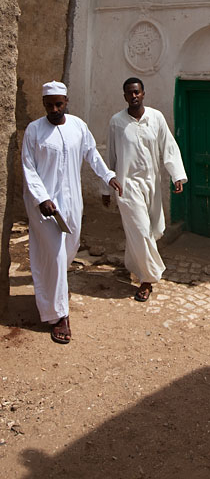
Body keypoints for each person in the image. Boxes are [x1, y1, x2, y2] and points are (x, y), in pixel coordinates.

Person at [21, 81, 122, 344]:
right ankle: (58, 316)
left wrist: (108, 176)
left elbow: (92, 155)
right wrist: (41, 198)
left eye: (58, 104)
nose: (54, 109)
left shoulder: (78, 126)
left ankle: (52, 294)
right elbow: (28, 168)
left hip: (72, 202)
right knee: (53, 255)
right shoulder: (34, 130)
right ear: (44, 105)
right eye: (49, 105)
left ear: (66, 102)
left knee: (68, 250)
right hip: (45, 206)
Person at [102, 78, 187, 302]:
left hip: (151, 183)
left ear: (143, 93)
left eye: (137, 92)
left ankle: (132, 264)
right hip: (126, 185)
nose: (134, 96)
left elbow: (168, 146)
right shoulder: (117, 122)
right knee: (140, 229)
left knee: (152, 230)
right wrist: (105, 186)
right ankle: (148, 279)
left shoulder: (155, 118)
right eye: (129, 93)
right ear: (124, 96)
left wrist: (176, 174)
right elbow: (110, 156)